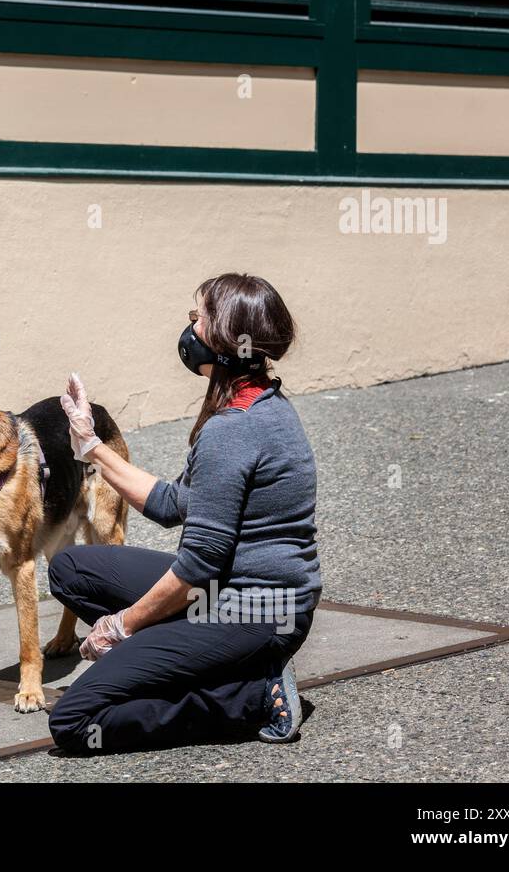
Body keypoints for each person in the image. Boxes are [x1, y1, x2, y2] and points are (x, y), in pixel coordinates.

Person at [50, 272, 321, 752]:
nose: (190, 326)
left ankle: (250, 694)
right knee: (71, 570)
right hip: (228, 594)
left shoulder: (233, 429)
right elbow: (175, 503)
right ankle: (206, 661)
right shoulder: (258, 401)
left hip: (258, 610)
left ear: (226, 340)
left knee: (74, 721)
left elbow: (199, 565)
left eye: (199, 318)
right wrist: (90, 445)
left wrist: (124, 625)